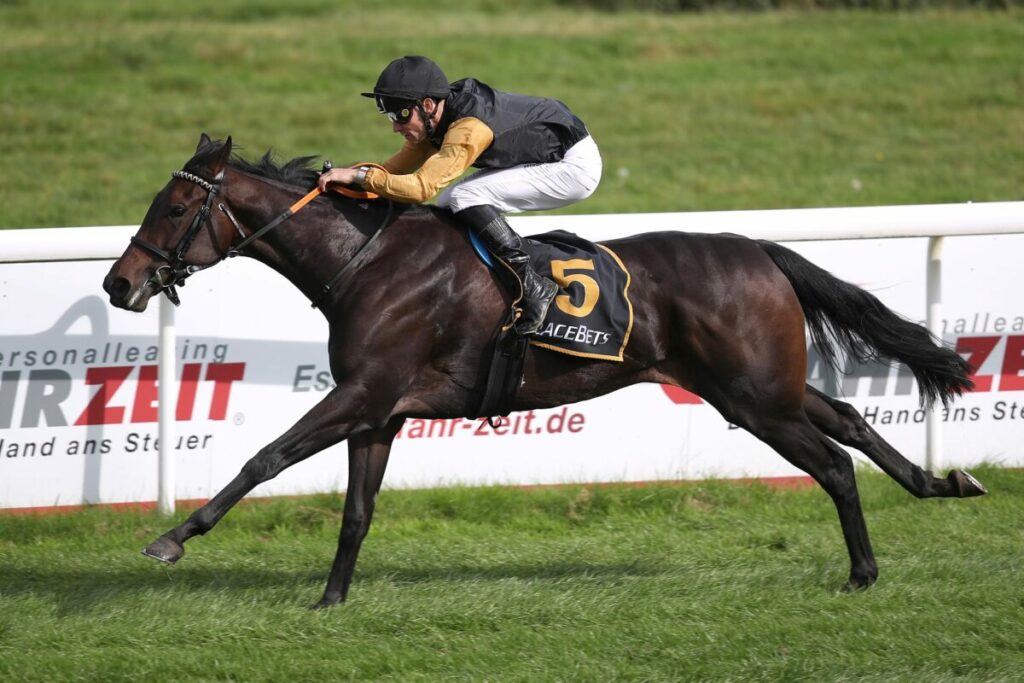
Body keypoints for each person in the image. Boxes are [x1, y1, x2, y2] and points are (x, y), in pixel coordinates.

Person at [318, 56, 602, 336]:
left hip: (573, 166)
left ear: (427, 105)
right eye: (391, 116)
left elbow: (420, 189)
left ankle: (533, 286)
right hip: (546, 154)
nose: (395, 127)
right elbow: (392, 172)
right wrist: (345, 179)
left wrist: (359, 177)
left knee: (464, 196)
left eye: (400, 115)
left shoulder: (468, 127)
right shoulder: (435, 119)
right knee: (448, 201)